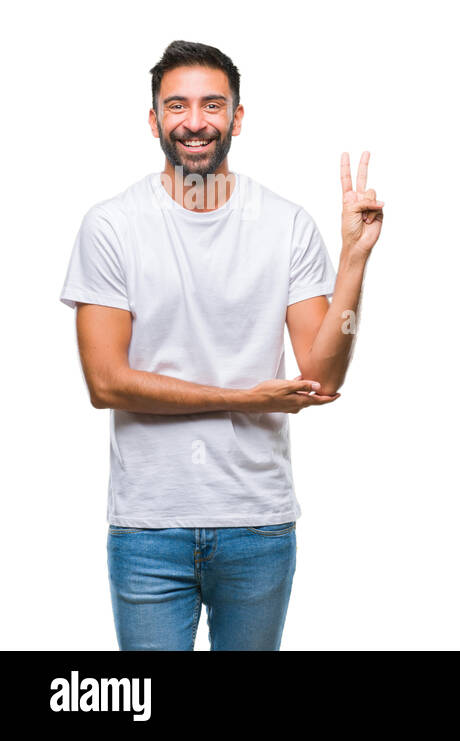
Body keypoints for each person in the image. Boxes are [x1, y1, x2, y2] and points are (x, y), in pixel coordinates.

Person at [59, 40, 385, 650]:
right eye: (177, 106)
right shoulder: (112, 226)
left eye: (212, 105)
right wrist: (243, 397)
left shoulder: (285, 223)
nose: (195, 121)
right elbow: (106, 383)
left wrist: (352, 264)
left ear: (236, 118)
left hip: (256, 522)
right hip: (149, 526)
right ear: (155, 121)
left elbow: (321, 376)